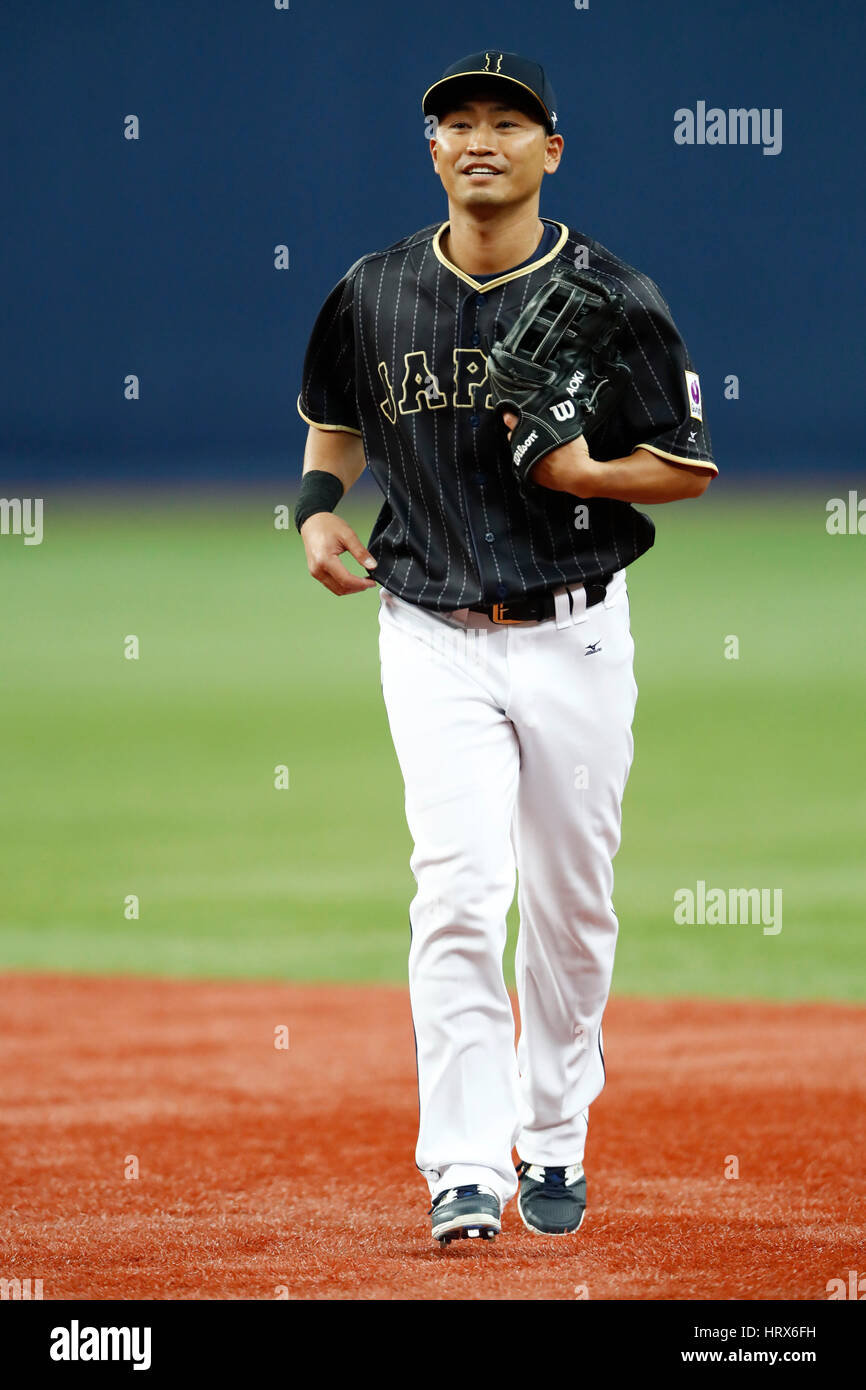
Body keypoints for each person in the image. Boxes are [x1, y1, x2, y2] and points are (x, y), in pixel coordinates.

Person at [295, 50, 717, 1245]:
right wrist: (316, 510)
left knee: (573, 911)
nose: (480, 139)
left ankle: (557, 1133)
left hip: (574, 632)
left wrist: (586, 472)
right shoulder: (369, 292)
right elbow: (338, 424)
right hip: (428, 630)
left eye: (506, 123)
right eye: (456, 124)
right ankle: (463, 1167)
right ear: (431, 150)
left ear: (550, 151)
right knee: (461, 892)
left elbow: (685, 464)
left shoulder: (611, 292)